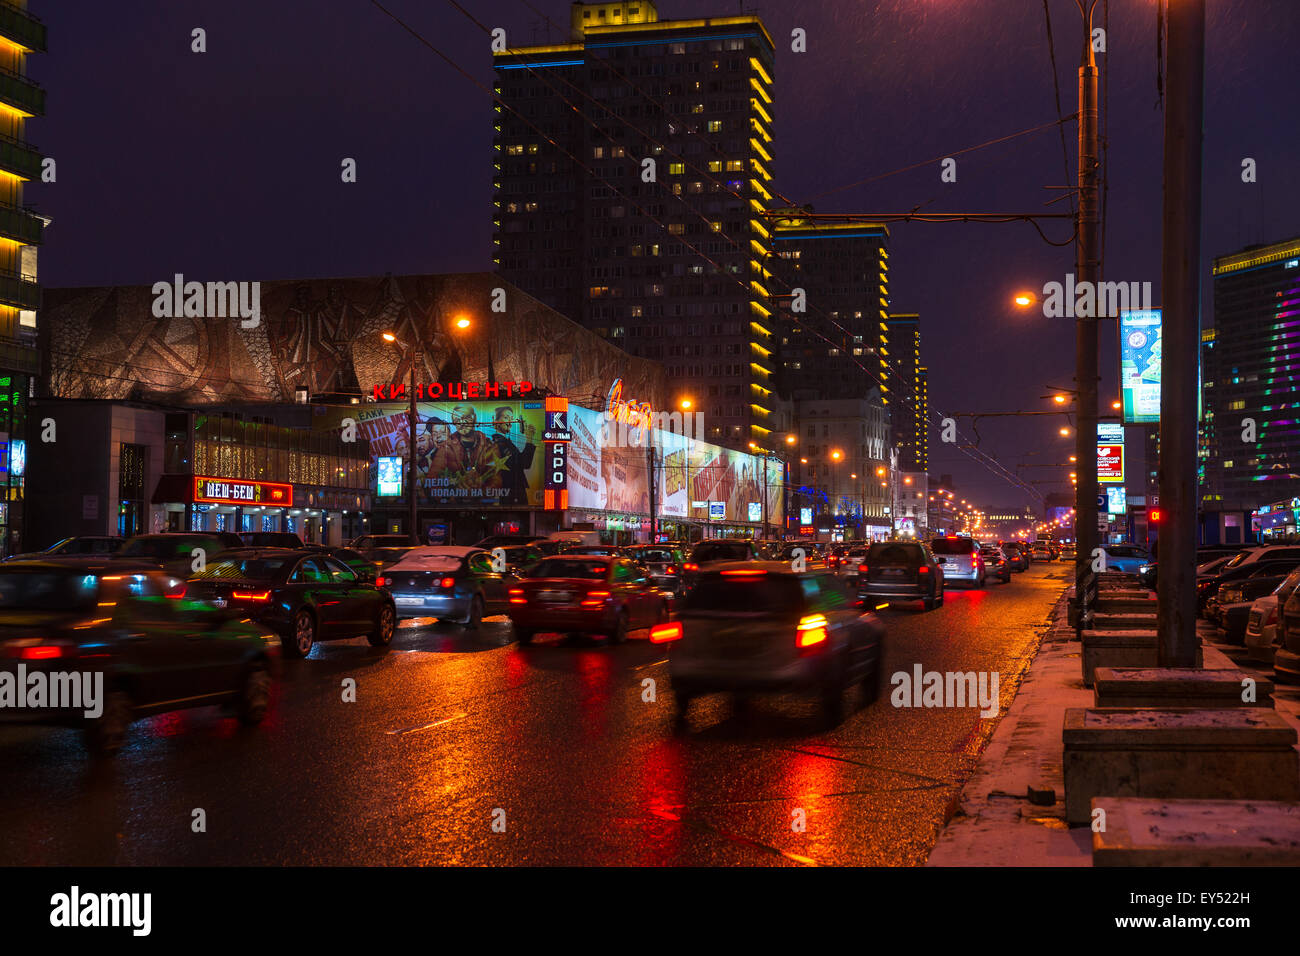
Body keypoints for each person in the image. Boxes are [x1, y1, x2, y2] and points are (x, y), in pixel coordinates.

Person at [487, 406, 537, 506]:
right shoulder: (499, 443)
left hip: (511, 491)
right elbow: (524, 463)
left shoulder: (506, 442)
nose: (510, 422)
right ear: (495, 420)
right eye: (506, 417)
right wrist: (529, 439)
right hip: (511, 491)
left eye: (511, 418)